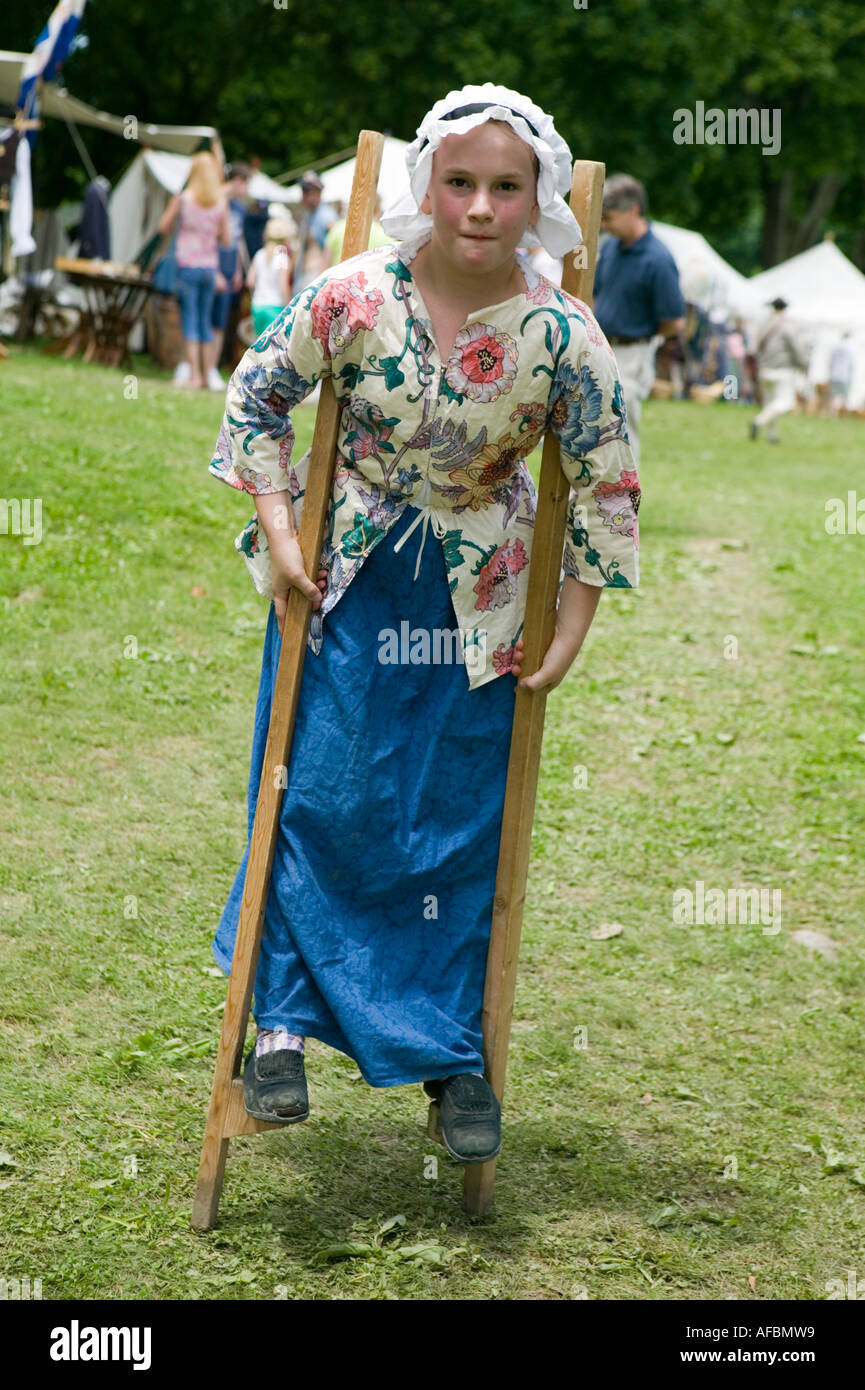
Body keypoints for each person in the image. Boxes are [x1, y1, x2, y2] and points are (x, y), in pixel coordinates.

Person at [206, 83, 639, 1165]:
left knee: (451, 817)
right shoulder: (353, 295)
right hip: (344, 578)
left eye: (505, 187)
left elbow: (605, 481)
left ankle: (450, 1056)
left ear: (536, 198)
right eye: (460, 183)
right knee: (319, 790)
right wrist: (276, 518)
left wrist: (574, 614)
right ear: (427, 186)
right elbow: (255, 398)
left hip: (480, 594)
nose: (480, 208)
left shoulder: (562, 335)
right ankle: (283, 1027)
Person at [592, 173, 685, 464]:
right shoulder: (608, 248)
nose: (604, 224)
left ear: (633, 210)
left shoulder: (658, 259)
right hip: (601, 348)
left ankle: (623, 504)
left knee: (623, 432)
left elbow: (674, 320)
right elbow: (596, 293)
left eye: (609, 216)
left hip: (633, 353)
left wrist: (639, 336)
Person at [158, 151, 230, 390]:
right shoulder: (220, 202)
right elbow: (226, 239)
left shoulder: (184, 199)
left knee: (189, 319)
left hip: (187, 265)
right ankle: (207, 373)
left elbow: (163, 227)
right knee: (205, 321)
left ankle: (194, 376)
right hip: (210, 268)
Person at [210, 161, 252, 384]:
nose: (246, 191)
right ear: (237, 181)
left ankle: (211, 369)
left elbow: (236, 242)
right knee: (205, 318)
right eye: (246, 184)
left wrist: (237, 270)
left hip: (228, 270)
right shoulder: (215, 201)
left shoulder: (239, 208)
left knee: (219, 321)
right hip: (211, 267)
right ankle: (197, 367)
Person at [750, 297, 809, 442]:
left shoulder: (763, 324)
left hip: (764, 368)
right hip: (783, 370)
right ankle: (759, 421)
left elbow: (755, 347)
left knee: (769, 404)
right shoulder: (787, 326)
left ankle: (772, 435)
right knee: (786, 402)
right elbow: (796, 348)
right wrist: (803, 365)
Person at [246, 213, 299, 335]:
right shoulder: (282, 257)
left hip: (257, 305)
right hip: (275, 306)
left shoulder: (260, 254)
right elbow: (283, 285)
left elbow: (250, 281)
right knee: (271, 349)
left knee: (258, 345)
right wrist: (288, 308)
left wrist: (257, 296)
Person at [291, 170, 337, 293]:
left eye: (311, 192)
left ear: (319, 192)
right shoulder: (308, 215)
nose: (307, 196)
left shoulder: (326, 216)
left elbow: (336, 243)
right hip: (305, 276)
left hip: (318, 276)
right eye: (305, 192)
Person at [321, 195, 392, 268]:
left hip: (337, 278)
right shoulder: (385, 234)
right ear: (378, 209)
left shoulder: (337, 228)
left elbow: (325, 263)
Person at [828, 332, 854, 416]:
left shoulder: (835, 346)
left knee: (833, 396)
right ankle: (845, 414)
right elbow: (851, 363)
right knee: (845, 396)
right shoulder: (850, 347)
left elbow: (831, 361)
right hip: (845, 375)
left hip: (834, 374)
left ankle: (833, 414)